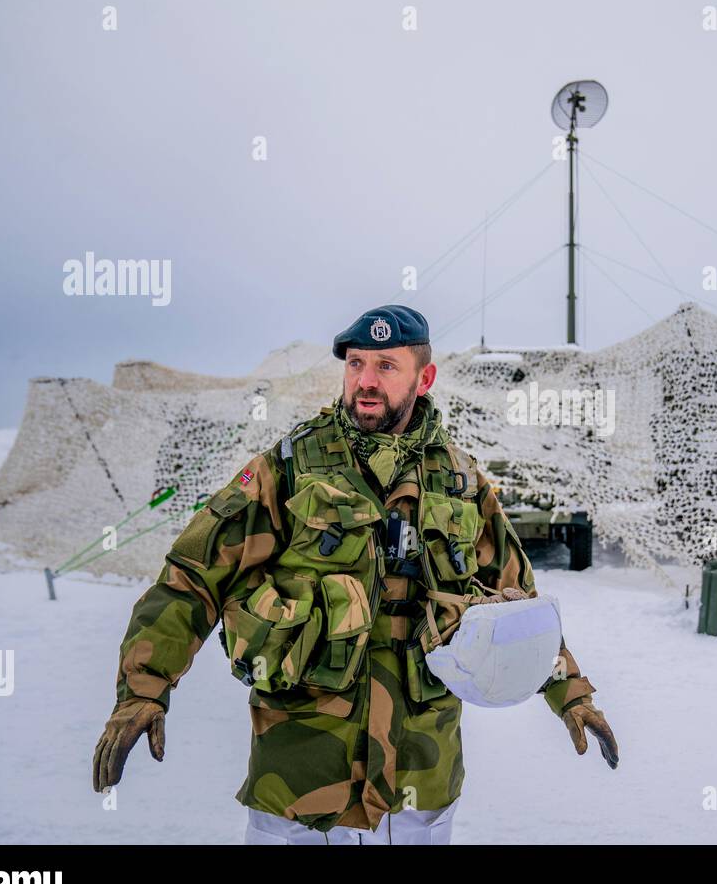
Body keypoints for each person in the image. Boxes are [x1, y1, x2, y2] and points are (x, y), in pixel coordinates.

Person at [92, 304, 618, 844]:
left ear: (424, 376)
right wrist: (143, 690)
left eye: (386, 366)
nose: (365, 381)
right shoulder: (289, 468)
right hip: (302, 783)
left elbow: (520, 607)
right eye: (355, 364)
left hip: (420, 778)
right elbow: (192, 578)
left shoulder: (461, 482)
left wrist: (571, 694)